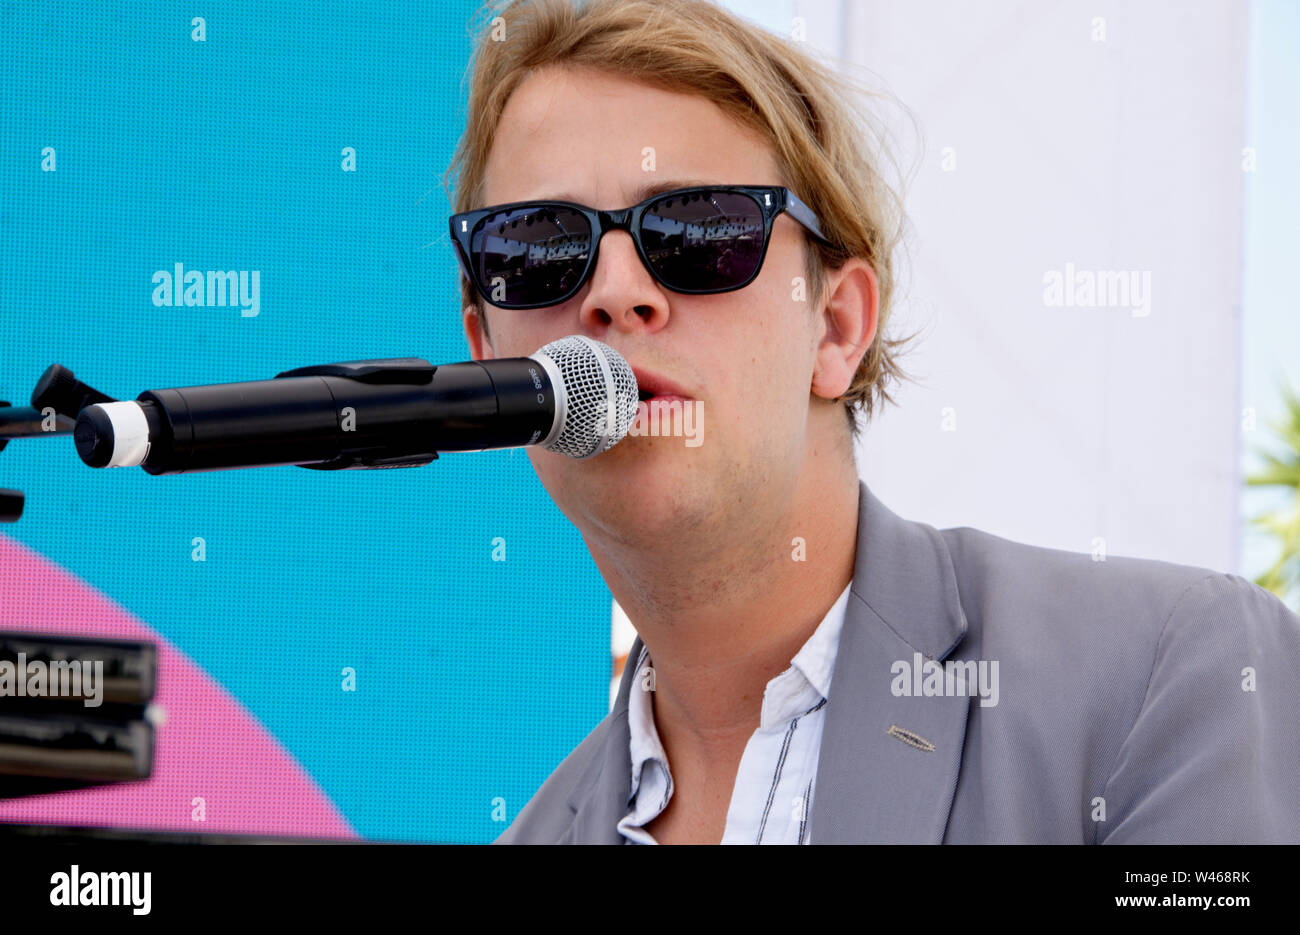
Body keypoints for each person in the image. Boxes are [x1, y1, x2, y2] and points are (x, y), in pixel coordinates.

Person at [446, 0, 1300, 844]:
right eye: (538, 247)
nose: (615, 292)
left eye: (700, 230)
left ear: (837, 328)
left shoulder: (1167, 676)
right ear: (486, 347)